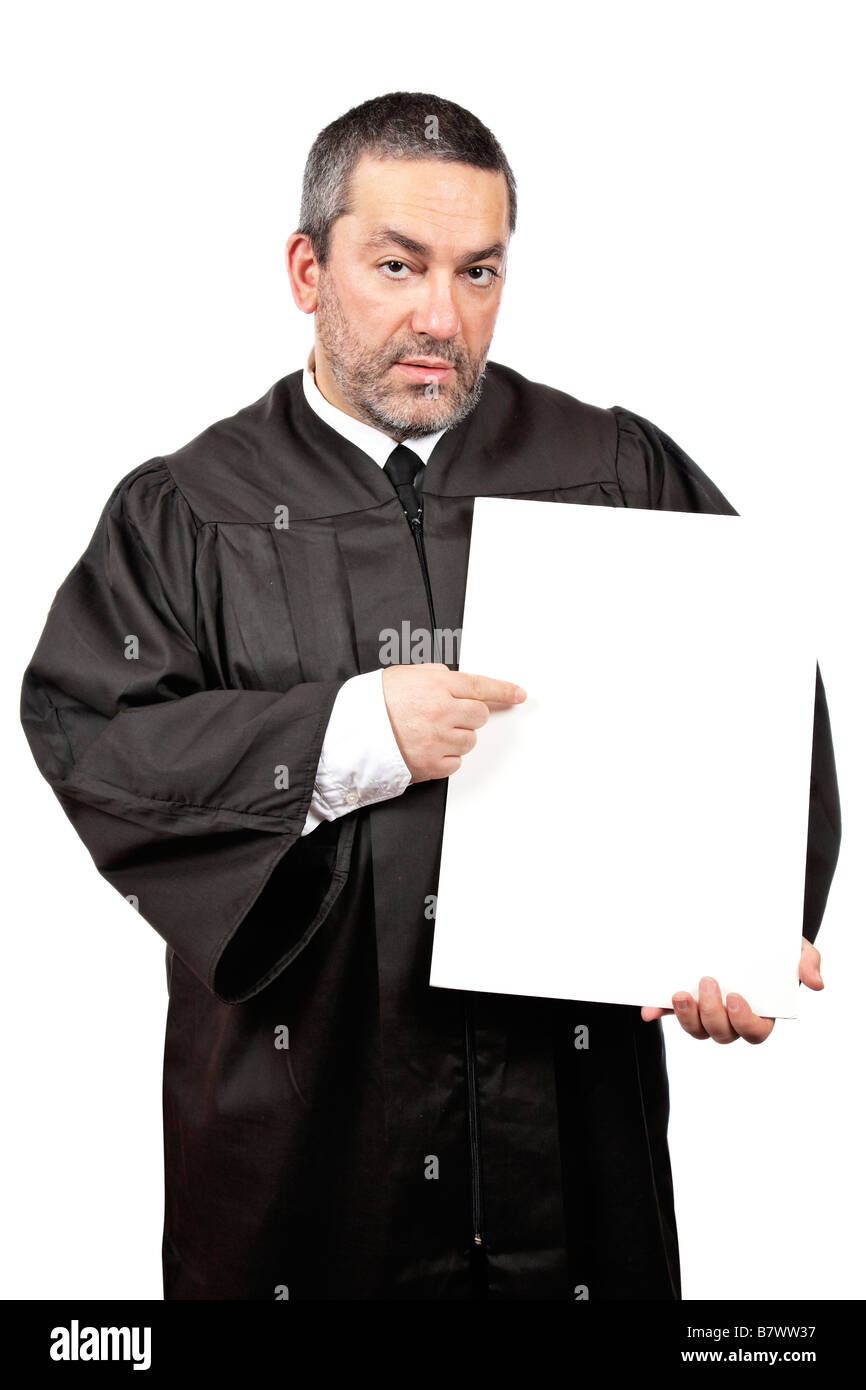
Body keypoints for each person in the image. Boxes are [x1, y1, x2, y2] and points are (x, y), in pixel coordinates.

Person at [20, 91, 841, 1302]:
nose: (439, 318)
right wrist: (351, 733)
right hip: (305, 1153)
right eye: (395, 265)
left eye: (478, 272)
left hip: (568, 1151)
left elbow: (758, 714)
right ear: (308, 268)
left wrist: (733, 941)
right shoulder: (189, 511)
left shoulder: (613, 469)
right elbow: (97, 737)